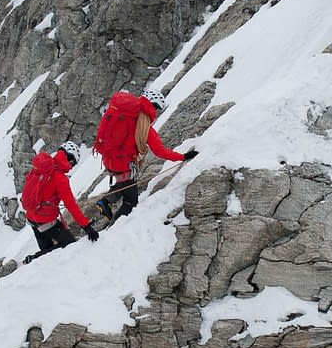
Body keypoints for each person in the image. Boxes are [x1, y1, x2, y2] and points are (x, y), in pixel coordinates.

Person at [92, 87, 198, 221]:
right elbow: (160, 151)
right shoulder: (143, 125)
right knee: (131, 201)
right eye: (157, 108)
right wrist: (182, 157)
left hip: (108, 158)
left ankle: (107, 201)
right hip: (124, 163)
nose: (156, 112)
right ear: (153, 105)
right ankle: (114, 226)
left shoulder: (123, 112)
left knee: (124, 184)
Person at [20, 141, 98, 256]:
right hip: (45, 220)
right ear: (70, 159)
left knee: (48, 253)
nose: (71, 168)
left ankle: (36, 259)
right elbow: (71, 205)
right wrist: (87, 227)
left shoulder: (43, 168)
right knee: (70, 245)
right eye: (73, 164)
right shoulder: (60, 178)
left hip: (31, 217)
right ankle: (33, 258)